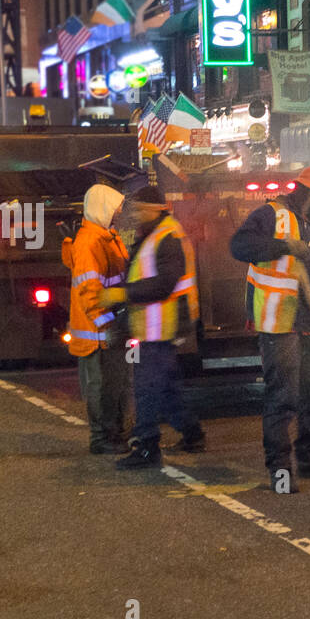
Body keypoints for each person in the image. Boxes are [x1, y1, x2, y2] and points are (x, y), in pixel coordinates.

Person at [229, 165, 310, 491]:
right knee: (283, 399)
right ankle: (281, 473)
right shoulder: (271, 215)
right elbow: (239, 247)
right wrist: (283, 247)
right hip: (279, 323)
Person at [93, 186, 205, 469]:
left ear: (155, 209)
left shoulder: (166, 237)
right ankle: (192, 434)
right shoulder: (156, 233)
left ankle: (147, 449)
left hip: (161, 325)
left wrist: (123, 294)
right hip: (155, 324)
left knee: (147, 388)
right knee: (165, 388)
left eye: (141, 208)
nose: (136, 214)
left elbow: (164, 284)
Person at [64, 182, 131, 454]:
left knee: (113, 385)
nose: (119, 213)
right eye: (115, 208)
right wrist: (107, 324)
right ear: (102, 209)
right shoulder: (90, 243)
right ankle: (101, 439)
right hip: (97, 331)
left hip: (107, 327)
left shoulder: (106, 237)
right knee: (99, 387)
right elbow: (90, 291)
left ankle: (113, 434)